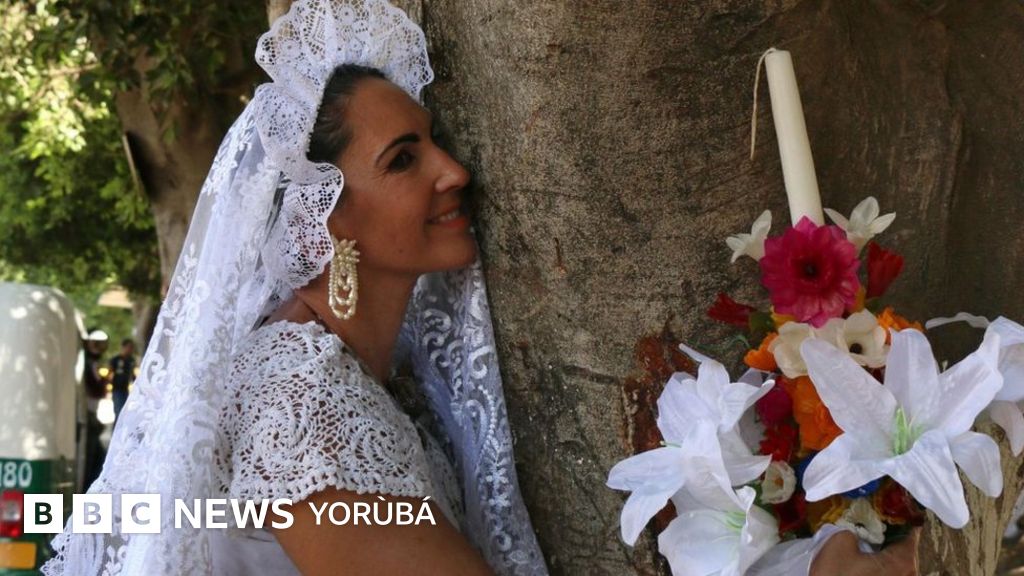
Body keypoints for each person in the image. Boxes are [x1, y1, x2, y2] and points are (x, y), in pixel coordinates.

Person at [43, 1, 544, 575]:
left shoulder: (352, 367)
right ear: (324, 215)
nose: (455, 171)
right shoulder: (301, 400)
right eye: (403, 160)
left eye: (433, 142)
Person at [80, 329, 108, 491]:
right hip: (87, 415)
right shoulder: (87, 363)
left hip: (91, 414)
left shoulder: (92, 363)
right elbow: (96, 389)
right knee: (95, 460)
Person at [108, 338, 135, 422]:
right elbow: (110, 373)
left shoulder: (131, 360)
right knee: (118, 412)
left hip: (125, 389)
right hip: (117, 388)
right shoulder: (116, 360)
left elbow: (132, 374)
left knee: (124, 412)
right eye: (129, 347)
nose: (130, 350)